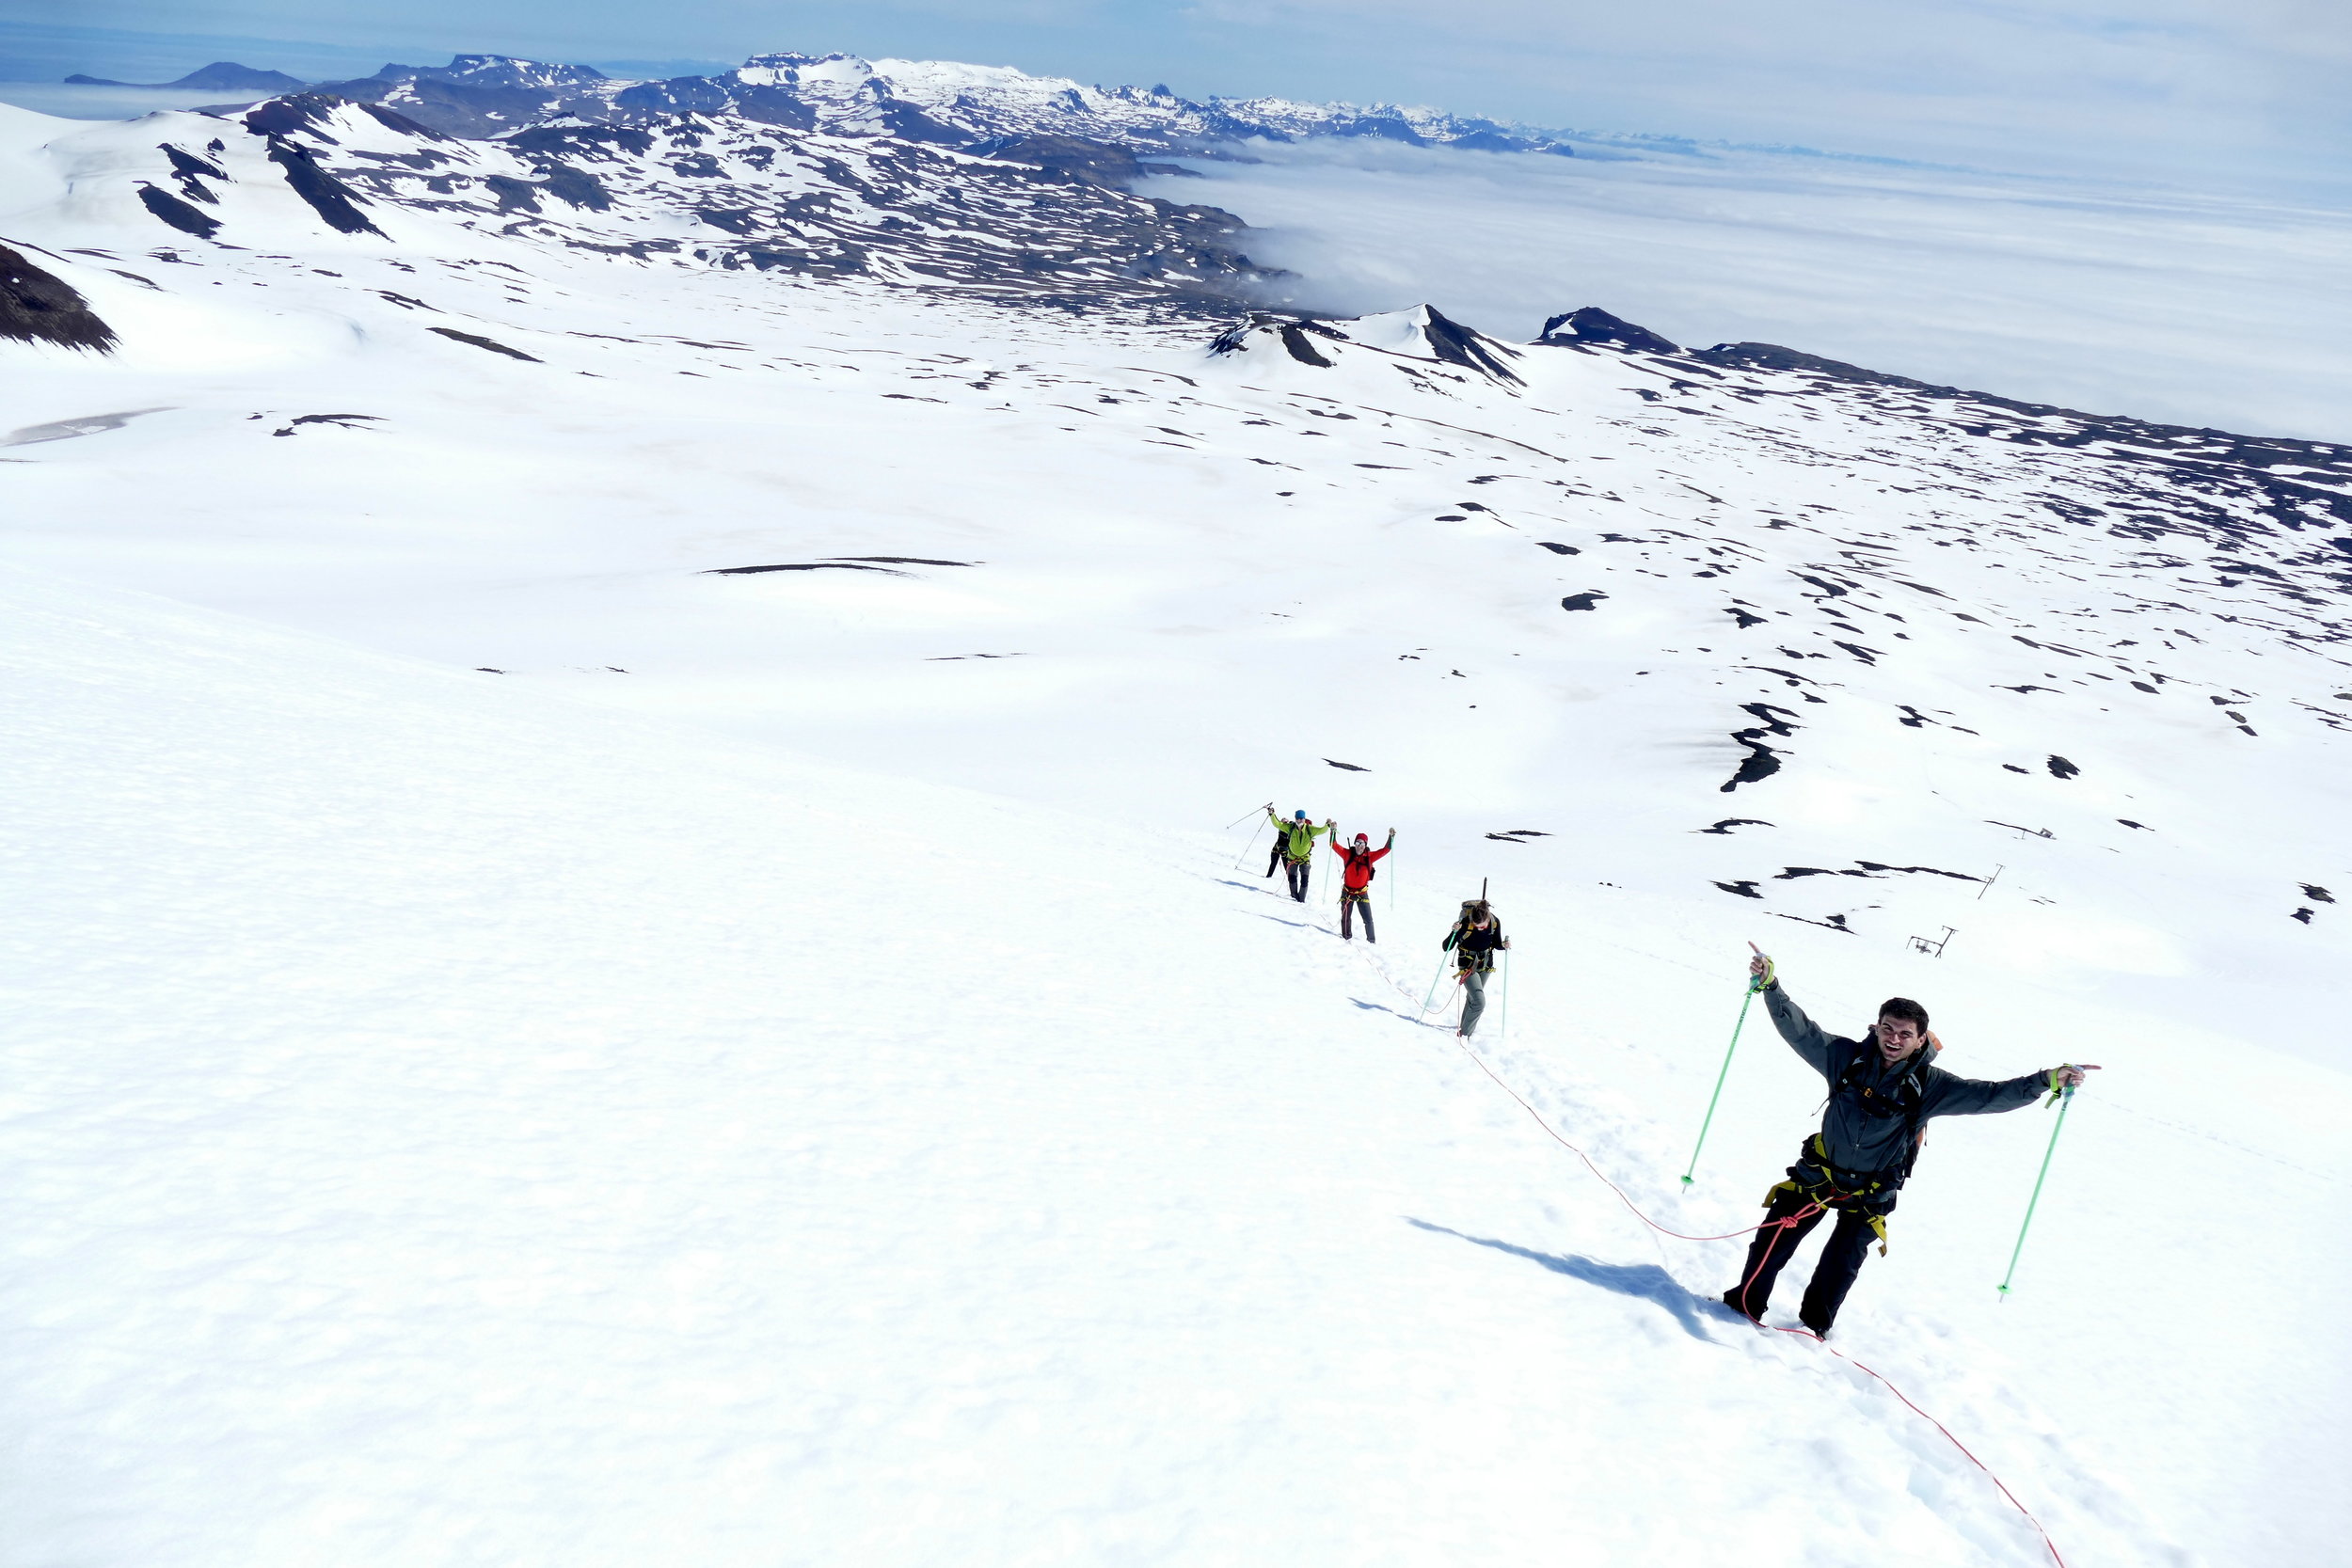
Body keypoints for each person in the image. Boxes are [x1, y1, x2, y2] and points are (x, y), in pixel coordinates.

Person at [1723, 946, 2099, 1338]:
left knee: (1841, 1264)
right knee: (1772, 1240)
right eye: (1888, 1028)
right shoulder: (1843, 1058)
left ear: (1920, 1041)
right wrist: (1771, 986)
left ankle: (1813, 1329)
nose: (1894, 1039)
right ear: (1876, 1027)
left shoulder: (1931, 1087)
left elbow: (1989, 1095)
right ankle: (1743, 1307)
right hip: (1818, 1176)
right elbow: (1801, 1030)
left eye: (1905, 1034)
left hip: (1871, 1193)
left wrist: (2045, 1080)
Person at [1442, 900, 1508, 1036]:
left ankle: (1463, 1028)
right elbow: (1446, 947)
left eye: (1482, 926)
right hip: (1467, 965)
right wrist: (1453, 932)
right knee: (1479, 1002)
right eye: (1476, 925)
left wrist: (1504, 945)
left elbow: (1496, 943)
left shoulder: (1495, 922)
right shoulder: (1465, 923)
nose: (1479, 928)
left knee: (1472, 998)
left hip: (1485, 965)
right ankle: (1465, 1035)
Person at [1329, 828, 1393, 941]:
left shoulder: (1370, 857)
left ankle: (1371, 942)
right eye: (1358, 842)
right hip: (1347, 892)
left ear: (1366, 844)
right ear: (1354, 844)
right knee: (1346, 917)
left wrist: (1391, 837)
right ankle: (1346, 938)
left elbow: (1386, 850)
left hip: (1362, 893)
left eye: (1362, 843)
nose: (1360, 845)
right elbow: (1333, 844)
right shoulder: (1347, 854)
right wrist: (1333, 831)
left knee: (1368, 920)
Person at [1264, 807, 1331, 902]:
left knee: (1304, 880)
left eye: (1301, 818)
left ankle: (1301, 900)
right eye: (1298, 818)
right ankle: (1294, 897)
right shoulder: (1290, 827)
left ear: (1304, 819)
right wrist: (1272, 814)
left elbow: (1322, 830)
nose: (1299, 820)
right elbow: (1278, 824)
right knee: (1292, 878)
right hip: (1292, 858)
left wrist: (1327, 824)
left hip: (1305, 859)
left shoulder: (1309, 829)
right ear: (1295, 818)